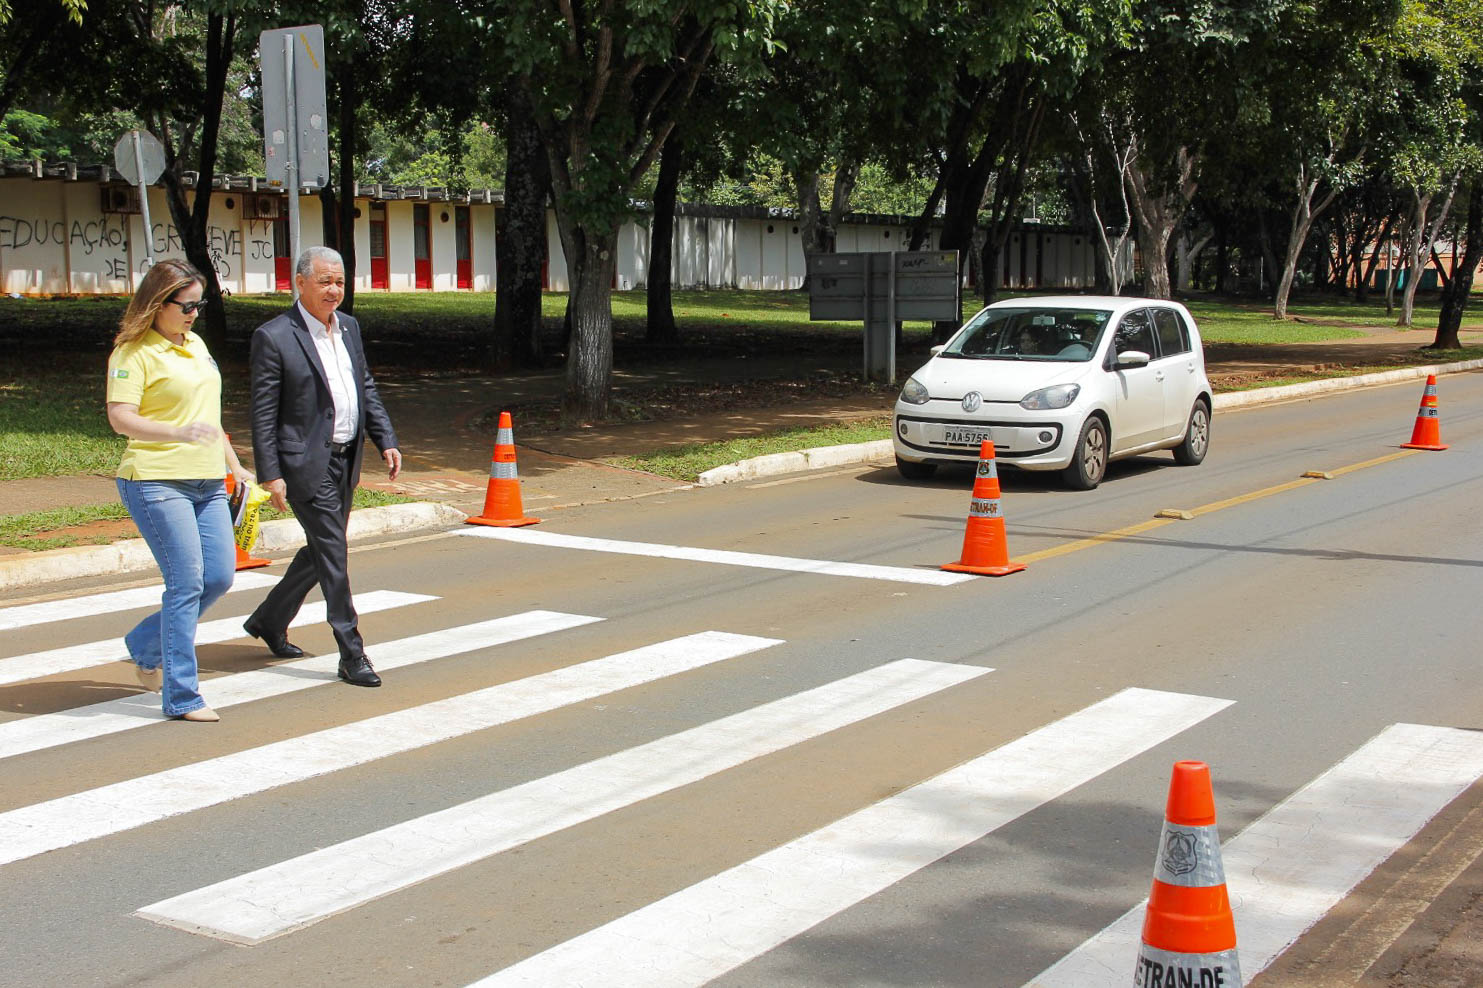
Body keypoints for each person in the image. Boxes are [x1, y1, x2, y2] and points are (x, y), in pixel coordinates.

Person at [242, 246, 401, 687]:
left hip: (346, 458)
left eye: (340, 283)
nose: (334, 291)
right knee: (333, 554)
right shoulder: (274, 336)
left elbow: (363, 385)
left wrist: (384, 438)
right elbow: (263, 413)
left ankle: (269, 620)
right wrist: (270, 473)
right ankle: (352, 652)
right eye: (325, 282)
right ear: (300, 282)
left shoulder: (349, 327)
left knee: (320, 549)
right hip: (304, 463)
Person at [106, 259, 251, 723]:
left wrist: (236, 466)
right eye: (184, 305)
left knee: (219, 578)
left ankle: (145, 645)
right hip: (155, 480)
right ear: (157, 303)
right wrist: (175, 432)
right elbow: (120, 417)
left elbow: (209, 414)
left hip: (208, 482)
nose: (192, 314)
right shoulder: (133, 353)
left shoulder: (196, 344)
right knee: (186, 583)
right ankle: (182, 696)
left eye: (198, 305)